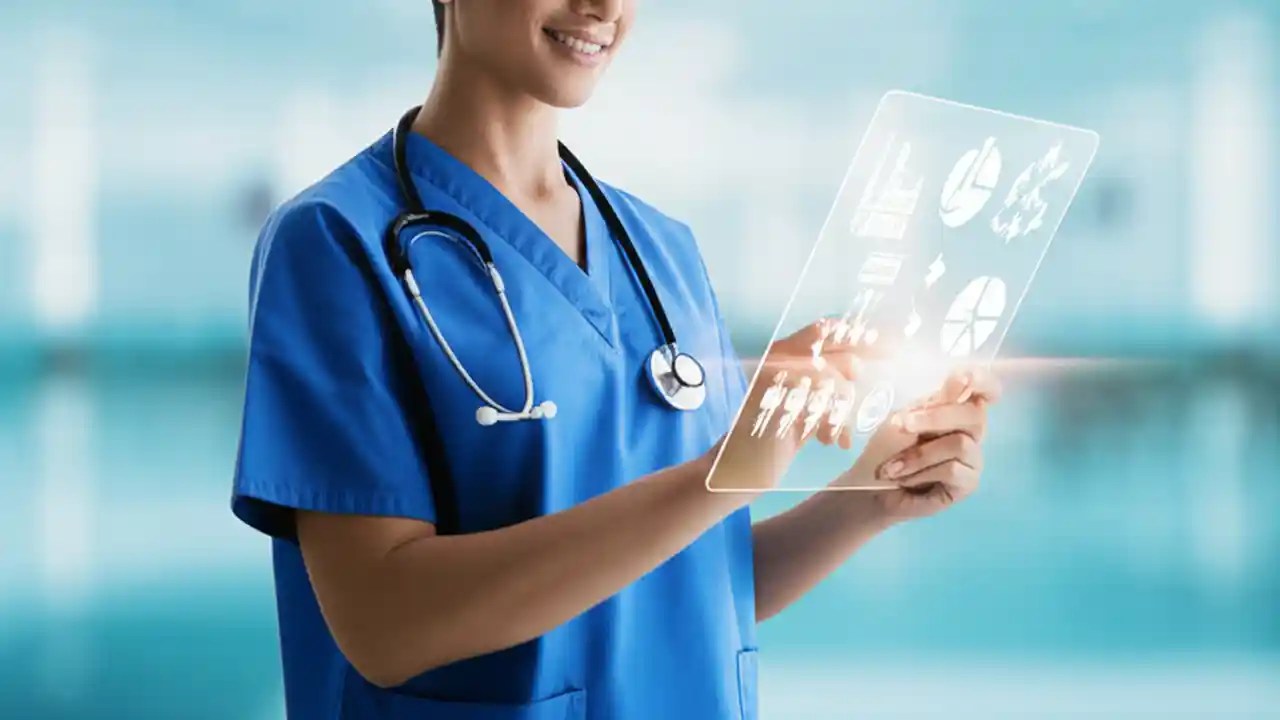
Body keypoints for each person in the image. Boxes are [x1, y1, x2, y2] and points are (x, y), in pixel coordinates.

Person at [230, 1, 1002, 718]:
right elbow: (386, 627)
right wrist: (717, 477)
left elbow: (686, 587)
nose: (602, 5)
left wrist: (865, 498)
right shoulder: (337, 243)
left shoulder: (661, 252)